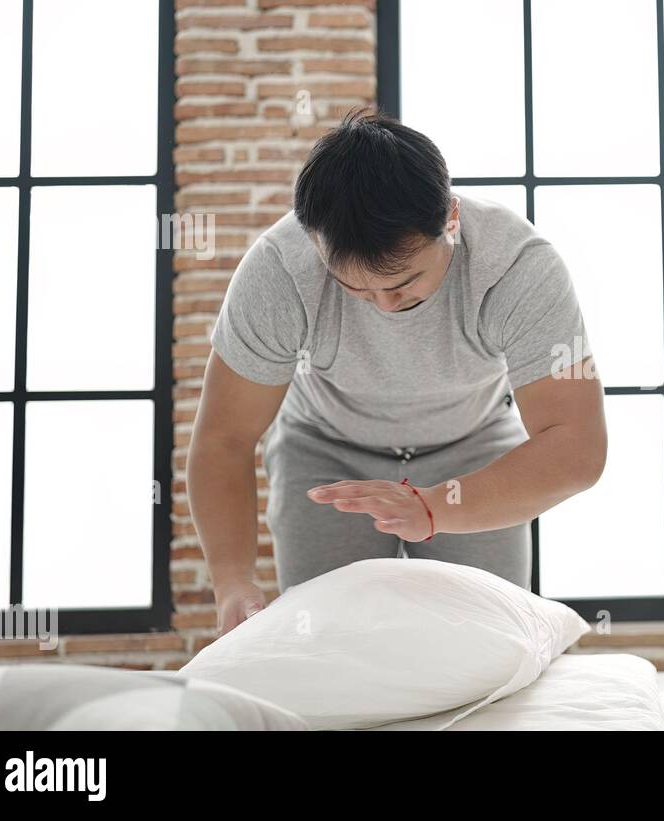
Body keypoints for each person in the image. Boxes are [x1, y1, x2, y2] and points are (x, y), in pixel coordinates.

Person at [186, 110, 606, 636]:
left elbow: (578, 448)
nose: (385, 306)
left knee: (488, 643)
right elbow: (224, 439)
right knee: (331, 646)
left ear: (450, 219)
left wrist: (433, 508)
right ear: (315, 243)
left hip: (473, 446)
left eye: (406, 282)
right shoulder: (278, 270)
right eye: (358, 288)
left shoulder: (519, 267)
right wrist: (233, 584)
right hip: (325, 451)